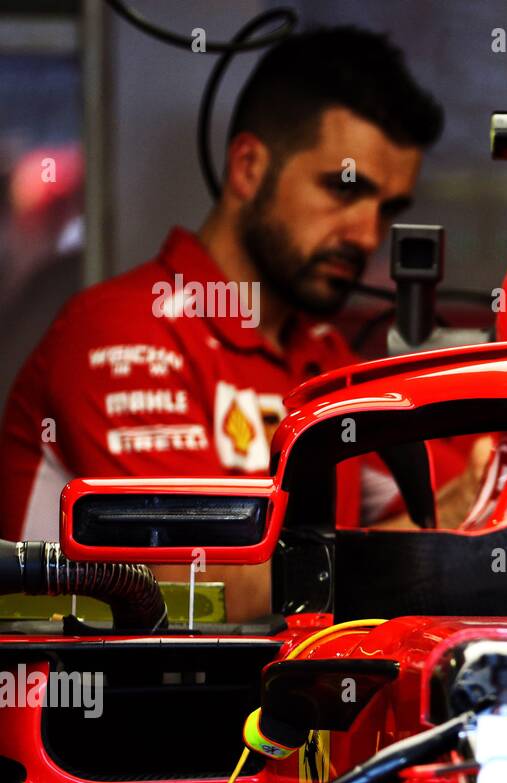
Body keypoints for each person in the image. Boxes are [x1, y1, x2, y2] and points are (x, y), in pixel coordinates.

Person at [0, 27, 443, 620]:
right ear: (248, 168)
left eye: (387, 209)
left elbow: (440, 508)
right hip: (88, 706)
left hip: (258, 706)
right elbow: (197, 590)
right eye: (344, 190)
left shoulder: (326, 356)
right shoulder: (122, 332)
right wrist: (430, 553)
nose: (367, 235)